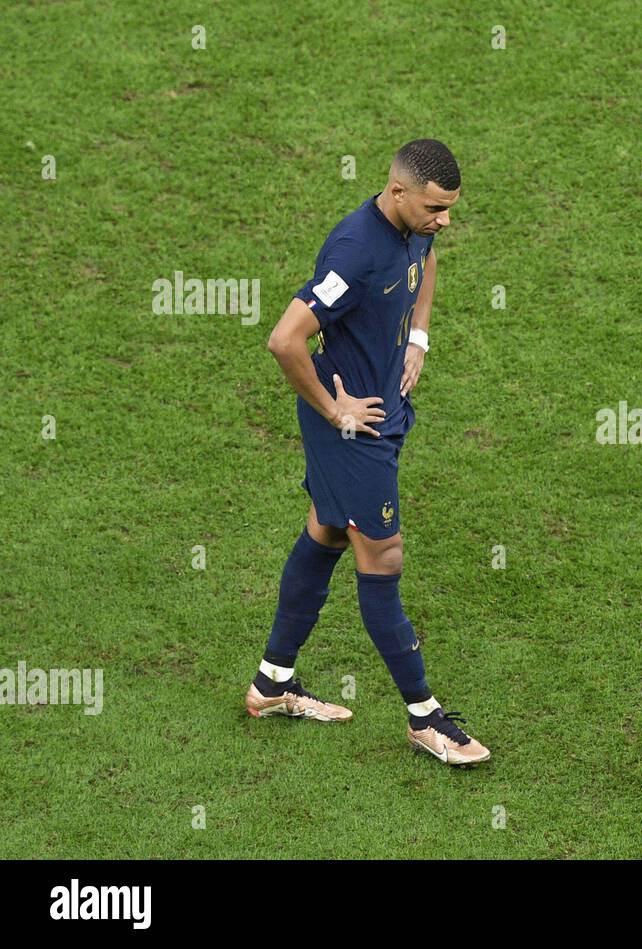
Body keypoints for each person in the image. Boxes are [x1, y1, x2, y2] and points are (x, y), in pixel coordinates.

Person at [245, 138, 489, 766]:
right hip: (355, 428)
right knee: (383, 555)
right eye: (436, 207)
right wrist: (335, 410)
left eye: (450, 209)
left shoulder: (416, 225)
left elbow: (426, 259)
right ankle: (425, 719)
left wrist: (419, 337)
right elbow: (284, 339)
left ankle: (272, 684)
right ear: (398, 190)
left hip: (387, 407)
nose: (444, 221)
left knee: (327, 532)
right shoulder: (355, 250)